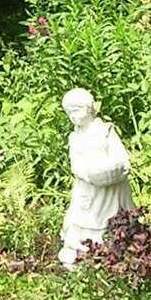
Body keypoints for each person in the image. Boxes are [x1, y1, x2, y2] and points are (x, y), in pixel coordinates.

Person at [57, 88, 135, 267]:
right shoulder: (74, 137)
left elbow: (122, 160)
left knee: (109, 222)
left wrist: (110, 170)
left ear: (89, 108)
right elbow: (75, 164)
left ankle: (111, 252)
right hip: (87, 187)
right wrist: (88, 174)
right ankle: (80, 253)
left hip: (111, 188)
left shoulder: (105, 131)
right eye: (69, 113)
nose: (73, 116)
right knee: (80, 220)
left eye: (76, 111)